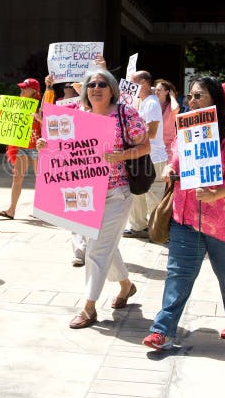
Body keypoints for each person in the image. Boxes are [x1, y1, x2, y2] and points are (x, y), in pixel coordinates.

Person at [143, 76, 225, 350]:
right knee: (178, 273)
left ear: (214, 100)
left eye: (198, 96)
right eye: (190, 96)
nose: (191, 101)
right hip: (187, 217)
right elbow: (178, 160)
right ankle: (163, 330)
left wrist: (217, 193)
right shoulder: (186, 131)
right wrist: (171, 169)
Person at [38, 68, 146, 329]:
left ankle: (88, 308)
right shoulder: (78, 114)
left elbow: (145, 146)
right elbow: (59, 137)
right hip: (85, 193)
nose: (96, 88)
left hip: (117, 194)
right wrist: (46, 144)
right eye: (91, 85)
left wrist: (121, 156)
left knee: (96, 251)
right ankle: (126, 286)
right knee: (106, 246)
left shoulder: (126, 114)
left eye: (102, 84)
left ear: (112, 90)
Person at [44, 74, 88, 267]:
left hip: (95, 163)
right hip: (71, 162)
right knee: (76, 207)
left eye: (76, 86)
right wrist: (49, 88)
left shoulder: (98, 106)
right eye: (69, 85)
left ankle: (98, 250)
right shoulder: (65, 104)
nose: (71, 87)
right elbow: (48, 113)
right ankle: (79, 252)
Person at [123, 70, 168, 239]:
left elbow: (153, 131)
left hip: (153, 157)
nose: (129, 84)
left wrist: (130, 136)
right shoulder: (142, 102)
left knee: (154, 195)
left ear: (143, 82)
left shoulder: (151, 103)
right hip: (141, 155)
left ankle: (158, 231)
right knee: (137, 193)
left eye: (132, 81)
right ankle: (138, 227)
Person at [0, 78, 42, 220]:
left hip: (38, 147)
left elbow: (52, 126)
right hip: (21, 146)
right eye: (21, 87)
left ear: (34, 91)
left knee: (41, 180)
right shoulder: (16, 105)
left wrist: (40, 119)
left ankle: (43, 211)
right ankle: (11, 210)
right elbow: (7, 121)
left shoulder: (42, 106)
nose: (21, 90)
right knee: (17, 177)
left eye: (25, 88)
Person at [154, 79, 180, 162]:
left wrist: (172, 96)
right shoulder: (153, 104)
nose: (156, 92)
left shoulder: (170, 106)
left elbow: (176, 109)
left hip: (168, 147)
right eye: (156, 90)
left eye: (159, 90)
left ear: (166, 92)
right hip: (155, 146)